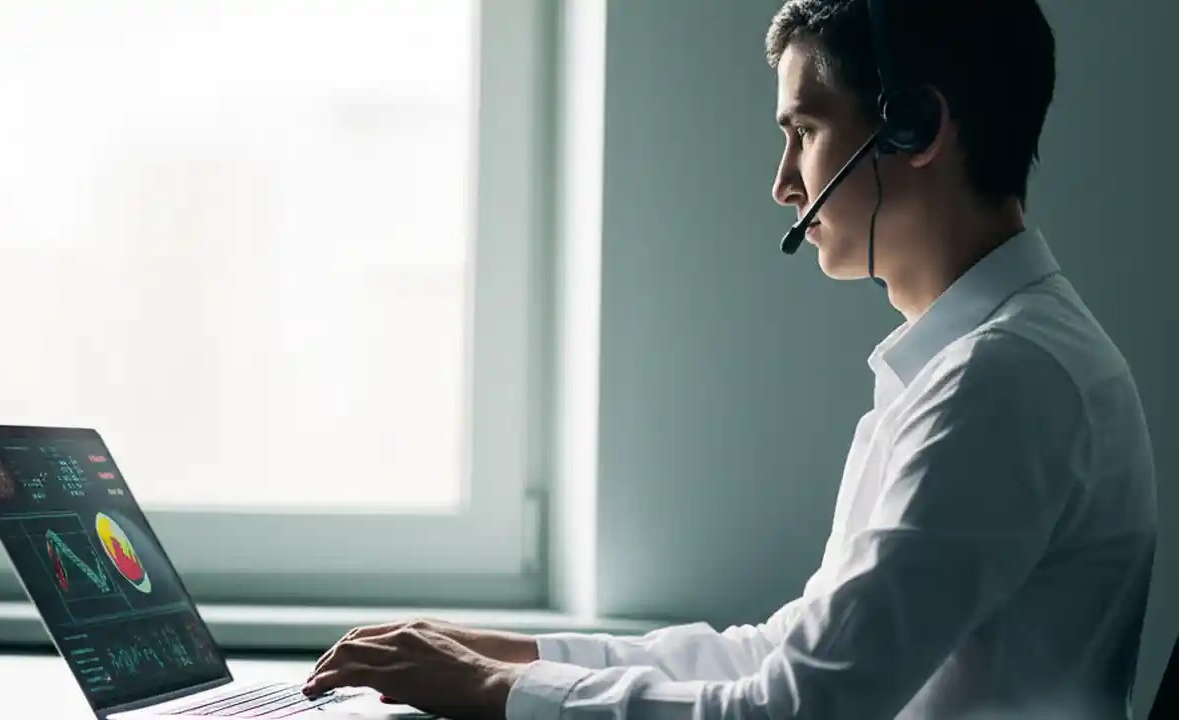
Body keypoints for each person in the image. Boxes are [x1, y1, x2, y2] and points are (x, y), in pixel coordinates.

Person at [301, 1, 1159, 717]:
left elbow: (799, 707)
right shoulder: (972, 364)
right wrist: (503, 650)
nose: (784, 182)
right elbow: (786, 650)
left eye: (807, 130)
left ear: (915, 127)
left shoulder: (1002, 381)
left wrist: (497, 689)